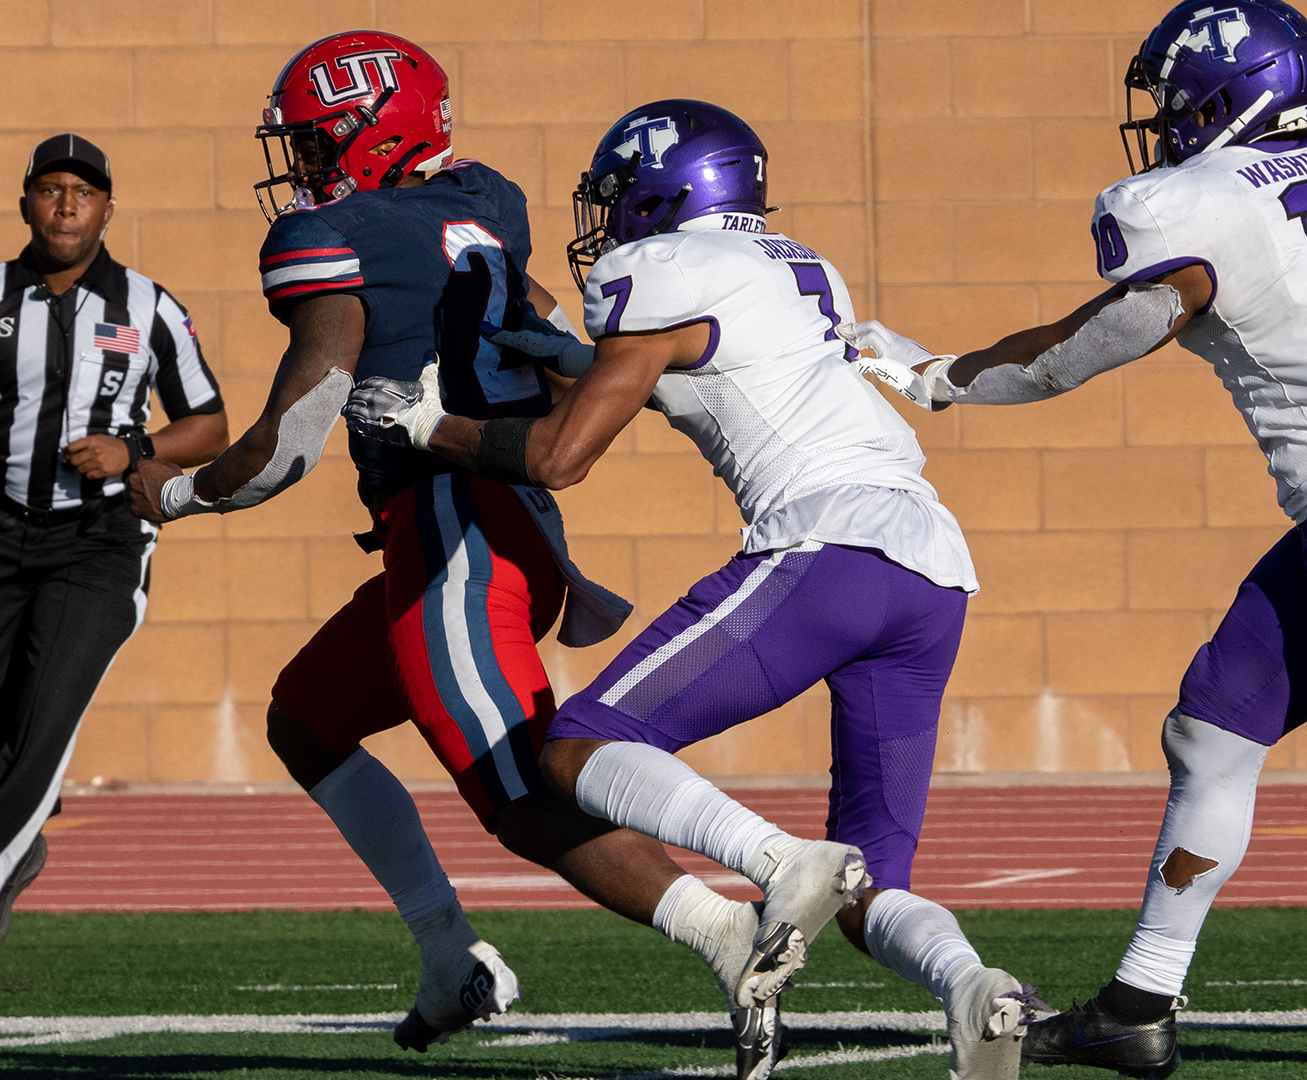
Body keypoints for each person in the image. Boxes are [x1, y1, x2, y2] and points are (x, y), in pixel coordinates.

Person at [345, 99, 1045, 1080]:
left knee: (580, 748)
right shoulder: (796, 265)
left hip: (825, 545)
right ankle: (975, 988)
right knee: (870, 878)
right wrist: (565, 356)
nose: (609, 221)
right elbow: (700, 368)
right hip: (930, 567)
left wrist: (429, 427)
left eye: (619, 196)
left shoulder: (658, 270)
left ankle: (771, 862)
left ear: (666, 193)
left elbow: (558, 456)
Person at [126, 32, 774, 1073]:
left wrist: (175, 494)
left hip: (450, 527)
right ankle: (448, 955)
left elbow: (289, 446)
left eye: (316, 139)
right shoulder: (483, 202)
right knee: (309, 717)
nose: (301, 165)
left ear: (377, 126)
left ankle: (734, 930)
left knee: (517, 790)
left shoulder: (336, 238)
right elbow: (557, 344)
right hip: (480, 524)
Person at [843, 3, 1307, 1076]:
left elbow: (1075, 353)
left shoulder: (1199, 205)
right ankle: (1142, 1001)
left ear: (1232, 93)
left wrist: (934, 377)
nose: (1165, 122)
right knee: (1212, 730)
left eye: (1177, 99)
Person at [0, 133, 228, 993]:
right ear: (25, 202)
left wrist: (138, 450)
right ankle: (15, 841)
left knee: (41, 732)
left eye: (81, 193)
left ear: (106, 211)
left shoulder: (148, 304)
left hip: (98, 543)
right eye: (49, 190)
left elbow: (209, 423)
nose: (64, 205)